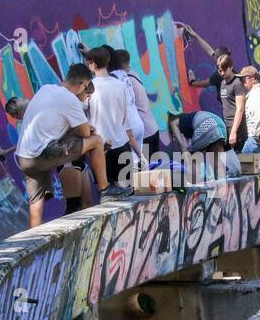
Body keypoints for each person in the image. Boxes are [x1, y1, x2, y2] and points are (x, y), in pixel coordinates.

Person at [16, 63, 129, 228]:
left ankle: (32, 243)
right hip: (43, 153)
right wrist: (90, 133)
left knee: (36, 203)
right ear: (82, 84)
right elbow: (85, 133)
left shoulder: (46, 89)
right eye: (85, 87)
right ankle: (105, 190)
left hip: (25, 157)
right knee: (97, 141)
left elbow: (52, 124)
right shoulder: (70, 99)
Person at [184, 25, 247, 152]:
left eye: (217, 59)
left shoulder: (222, 76)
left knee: (235, 155)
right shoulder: (224, 69)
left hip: (235, 126)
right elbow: (210, 50)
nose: (221, 71)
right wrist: (195, 35)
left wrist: (192, 81)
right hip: (228, 122)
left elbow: (204, 83)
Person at [86, 48, 144, 187]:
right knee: (128, 194)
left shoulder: (89, 88)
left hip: (102, 149)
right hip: (122, 144)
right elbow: (124, 117)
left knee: (107, 196)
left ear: (92, 64)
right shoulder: (120, 84)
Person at [111, 49, 161, 158]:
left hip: (144, 134)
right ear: (128, 63)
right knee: (155, 168)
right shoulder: (133, 74)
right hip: (153, 128)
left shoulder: (123, 81)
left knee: (145, 169)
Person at [167, 110, 240, 181]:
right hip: (218, 122)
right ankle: (225, 182)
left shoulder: (172, 121)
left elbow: (183, 146)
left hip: (205, 124)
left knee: (194, 159)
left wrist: (188, 165)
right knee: (216, 161)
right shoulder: (187, 119)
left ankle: (194, 181)